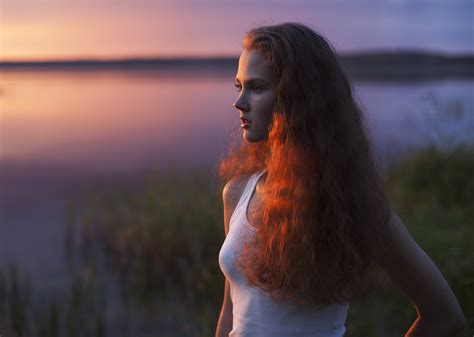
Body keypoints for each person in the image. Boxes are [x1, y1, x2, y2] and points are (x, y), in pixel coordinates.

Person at [215, 22, 465, 337]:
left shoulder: (351, 207)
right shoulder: (237, 193)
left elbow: (444, 317)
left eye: (257, 87)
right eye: (239, 86)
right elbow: (230, 312)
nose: (239, 102)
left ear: (298, 99)